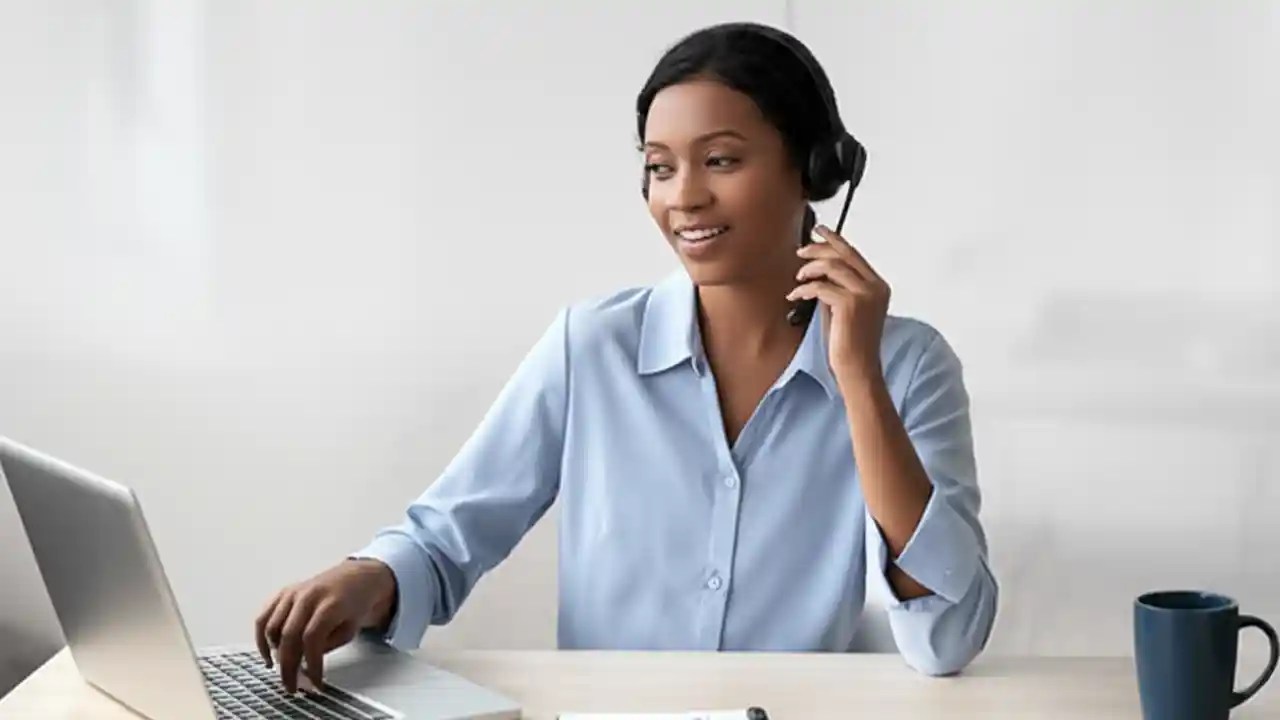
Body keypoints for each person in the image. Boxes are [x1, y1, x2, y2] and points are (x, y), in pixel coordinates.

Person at [253, 21, 998, 693]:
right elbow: (447, 537)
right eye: (661, 167)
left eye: (720, 160)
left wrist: (859, 379)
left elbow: (946, 640)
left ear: (811, 168)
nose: (685, 197)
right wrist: (366, 577)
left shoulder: (908, 366)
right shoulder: (590, 346)